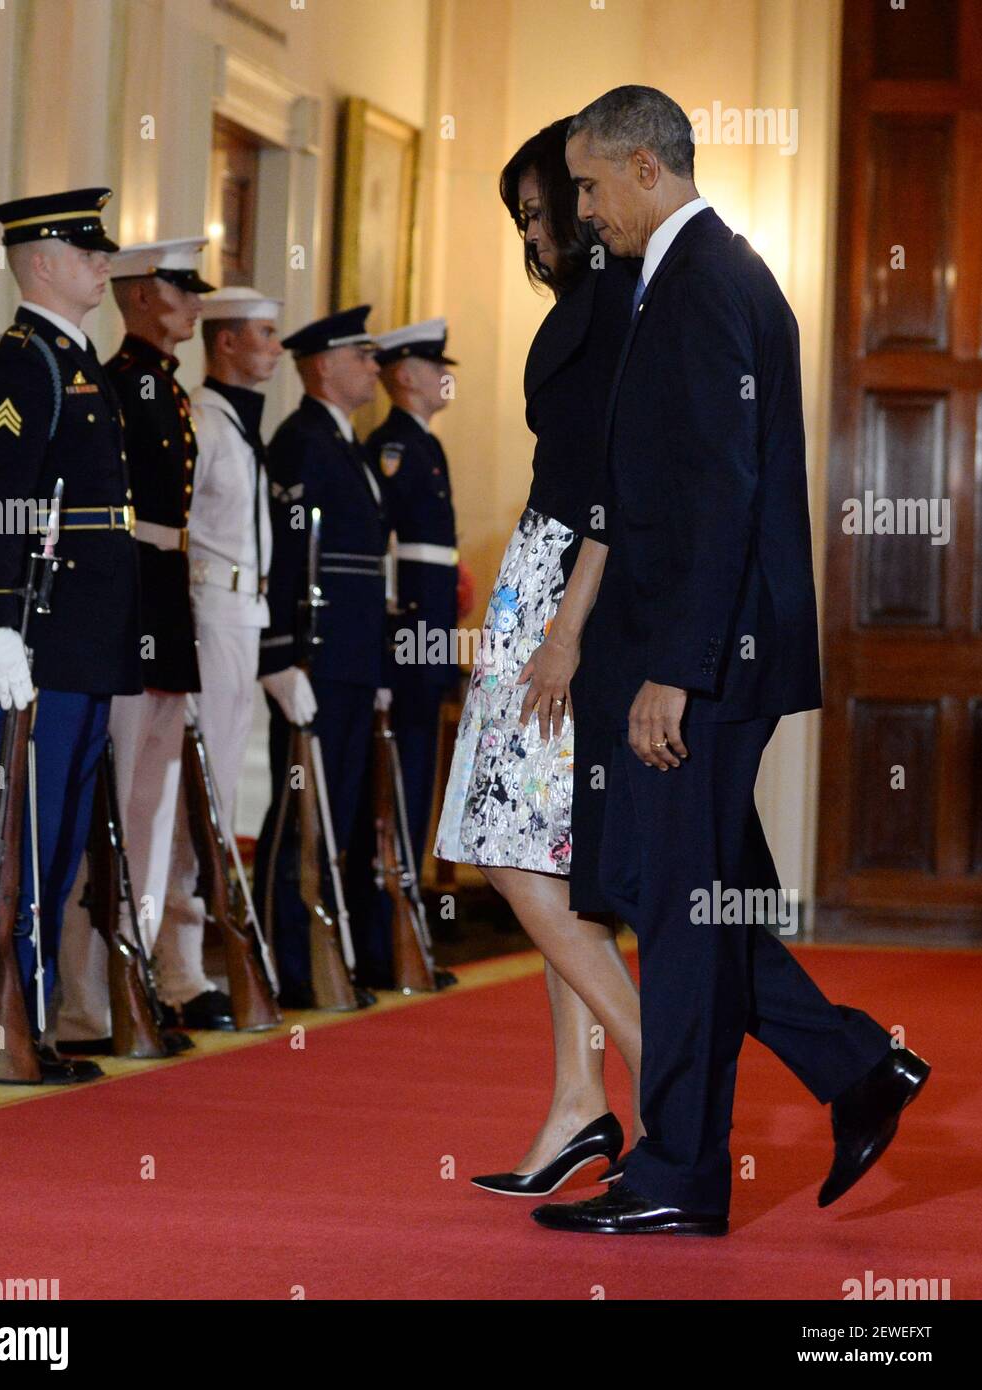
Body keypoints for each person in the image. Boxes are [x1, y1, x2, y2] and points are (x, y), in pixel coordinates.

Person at [530, 84, 930, 1237]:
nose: (585, 210)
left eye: (593, 186)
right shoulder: (696, 278)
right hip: (695, 652)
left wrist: (678, 669)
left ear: (648, 171)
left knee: (685, 918)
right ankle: (856, 1068)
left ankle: (680, 1174)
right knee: (699, 895)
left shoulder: (706, 285)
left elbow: (718, 495)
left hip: (697, 663)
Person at [434, 122, 644, 1193]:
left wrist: (563, 628)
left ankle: (667, 1081)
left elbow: (614, 481)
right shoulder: (587, 305)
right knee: (545, 853)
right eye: (519, 214)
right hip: (539, 580)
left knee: (512, 854)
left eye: (537, 208)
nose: (530, 230)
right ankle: (576, 1104)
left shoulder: (616, 304)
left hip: (564, 595)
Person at [0, 188, 141, 1084]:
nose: (103, 265)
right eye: (88, 252)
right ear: (41, 263)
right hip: (39, 630)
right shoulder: (23, 361)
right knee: (14, 828)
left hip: (84, 634)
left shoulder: (77, 360)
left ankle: (30, 1019)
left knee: (55, 837)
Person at [55, 237, 229, 1049]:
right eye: (181, 289)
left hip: (165, 601)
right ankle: (87, 997)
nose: (195, 304)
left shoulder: (168, 390)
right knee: (115, 806)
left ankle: (141, 976)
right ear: (140, 298)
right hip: (128, 603)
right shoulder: (118, 385)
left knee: (152, 809)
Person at [252, 306, 389, 1007]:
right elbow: (286, 557)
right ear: (322, 366)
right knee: (300, 807)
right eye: (360, 356)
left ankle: (324, 953)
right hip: (316, 657)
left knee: (335, 808)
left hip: (352, 658)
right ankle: (291, 963)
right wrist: (281, 656)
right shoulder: (301, 439)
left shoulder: (345, 443)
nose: (373, 367)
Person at [158, 286, 282, 985]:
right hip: (208, 613)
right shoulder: (203, 421)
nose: (274, 348)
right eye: (262, 334)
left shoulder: (238, 423)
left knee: (222, 794)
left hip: (243, 616)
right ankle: (178, 968)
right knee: (192, 794)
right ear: (226, 342)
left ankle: (194, 959)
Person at [366, 318, 459, 886]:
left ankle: (408, 897)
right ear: (404, 375)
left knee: (420, 762)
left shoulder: (425, 443)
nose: (446, 377)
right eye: (434, 367)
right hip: (409, 629)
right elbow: (388, 551)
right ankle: (390, 896)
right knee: (401, 764)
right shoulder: (393, 447)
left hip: (431, 626)